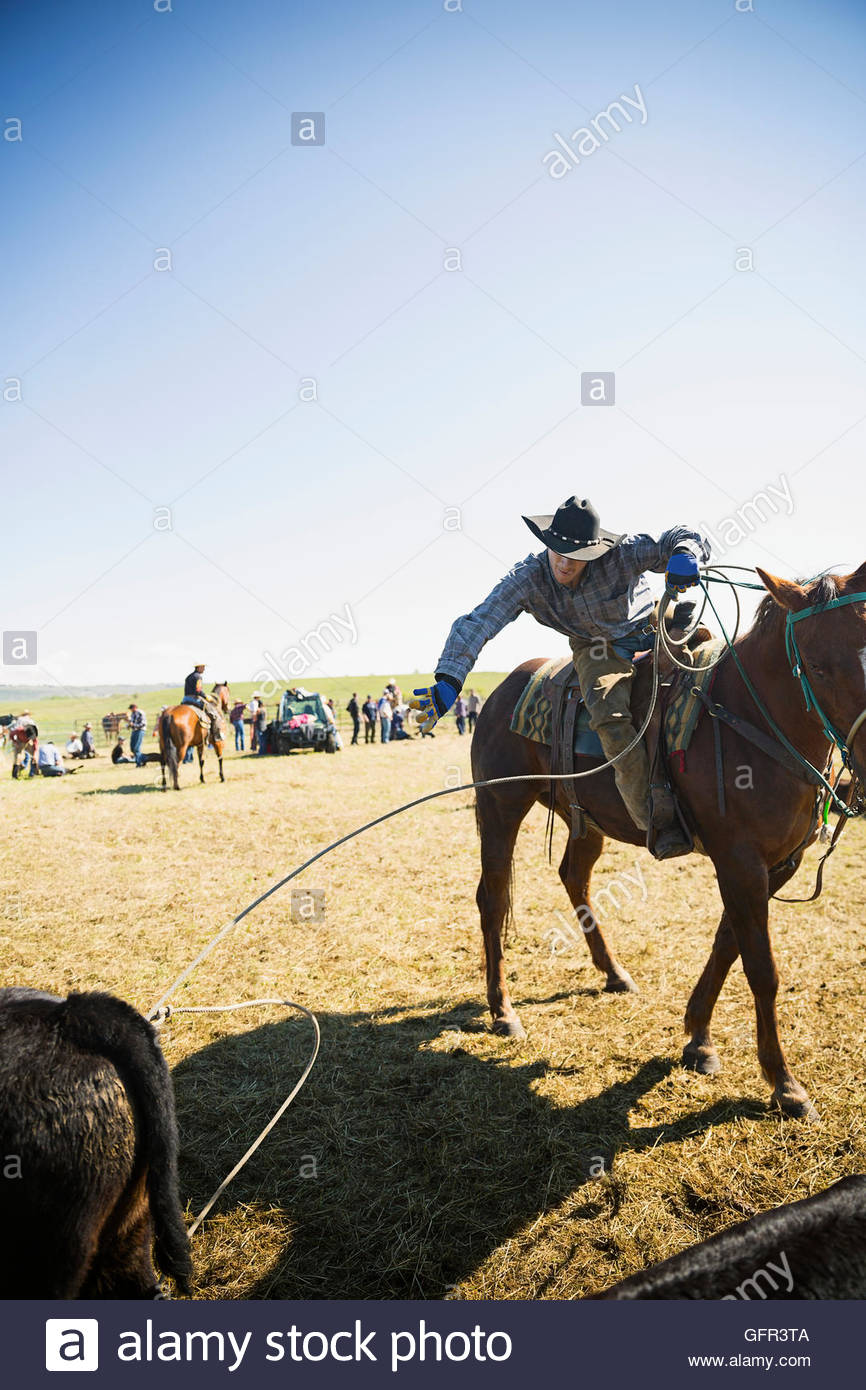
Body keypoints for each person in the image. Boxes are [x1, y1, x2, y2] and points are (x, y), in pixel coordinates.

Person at [410, 495, 710, 860]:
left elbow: (680, 535)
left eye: (577, 555)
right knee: (611, 718)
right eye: (557, 551)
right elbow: (481, 620)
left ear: (594, 549)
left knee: (715, 674)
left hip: (656, 626)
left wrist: (685, 553)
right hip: (599, 651)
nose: (565, 563)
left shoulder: (622, 553)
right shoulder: (528, 579)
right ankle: (654, 821)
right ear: (547, 543)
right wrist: (450, 679)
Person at [181, 663, 220, 743]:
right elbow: (198, 690)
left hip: (185, 699)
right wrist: (206, 696)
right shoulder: (198, 676)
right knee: (213, 714)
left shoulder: (189, 676)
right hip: (194, 699)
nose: (204, 669)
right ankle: (215, 736)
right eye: (203, 667)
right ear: (198, 667)